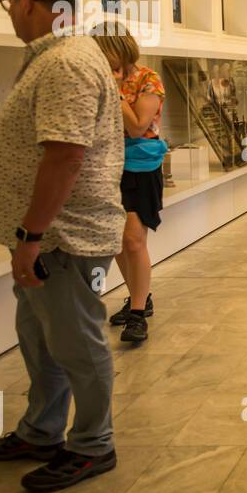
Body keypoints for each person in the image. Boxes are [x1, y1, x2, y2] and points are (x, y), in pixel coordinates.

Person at [0, 0, 124, 493]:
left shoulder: (66, 62)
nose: (10, 13)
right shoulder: (57, 56)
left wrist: (31, 235)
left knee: (75, 342)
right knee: (41, 339)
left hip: (63, 237)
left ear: (27, 1)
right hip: (46, 238)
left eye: (8, 2)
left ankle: (92, 444)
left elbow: (65, 155)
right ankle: (42, 429)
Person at [91, 23, 165, 344]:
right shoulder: (101, 79)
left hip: (141, 166)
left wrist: (116, 91)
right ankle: (139, 296)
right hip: (108, 164)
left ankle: (137, 315)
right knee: (119, 241)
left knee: (134, 239)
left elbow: (136, 127)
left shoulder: (148, 80)